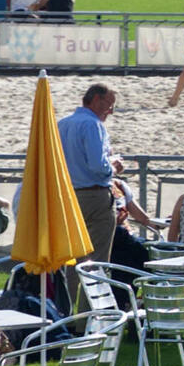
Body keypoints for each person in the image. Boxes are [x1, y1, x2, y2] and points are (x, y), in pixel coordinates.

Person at [60, 84, 120, 266]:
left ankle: (69, 295)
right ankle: (88, 295)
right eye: (109, 105)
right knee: (95, 262)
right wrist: (114, 168)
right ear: (96, 100)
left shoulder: (61, 124)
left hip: (66, 196)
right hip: (94, 196)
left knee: (71, 258)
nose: (110, 112)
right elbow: (98, 166)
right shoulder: (92, 124)